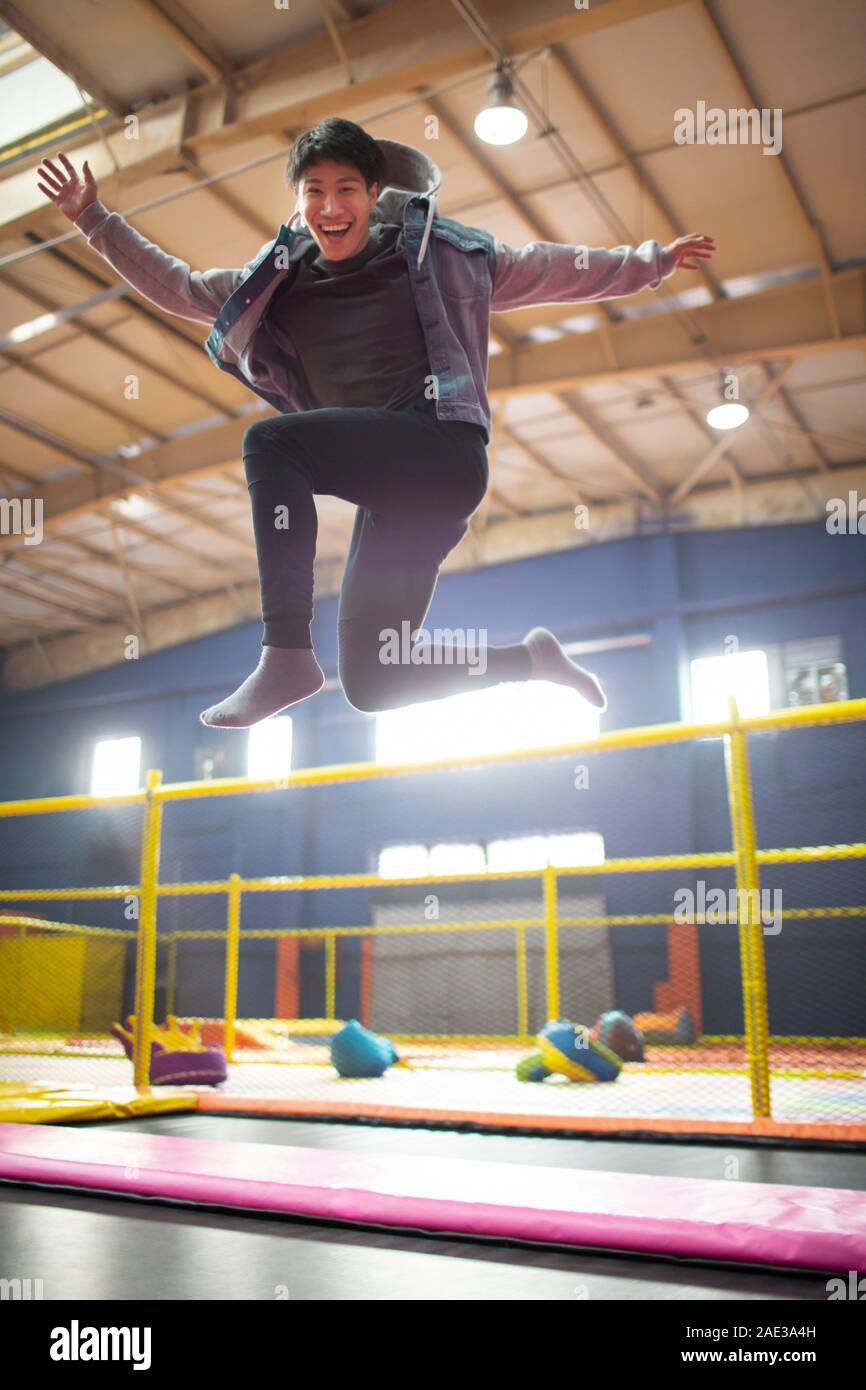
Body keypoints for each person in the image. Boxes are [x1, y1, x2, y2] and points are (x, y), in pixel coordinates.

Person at [37, 119, 715, 728]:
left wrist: (651, 263)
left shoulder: (441, 254)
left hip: (445, 455)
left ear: (375, 194)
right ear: (298, 204)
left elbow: (550, 270)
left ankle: (285, 653)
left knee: (269, 444)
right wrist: (94, 218)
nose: (331, 208)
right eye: (314, 192)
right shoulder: (276, 279)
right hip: (395, 498)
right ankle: (532, 660)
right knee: (374, 679)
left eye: (347, 190)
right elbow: (179, 286)